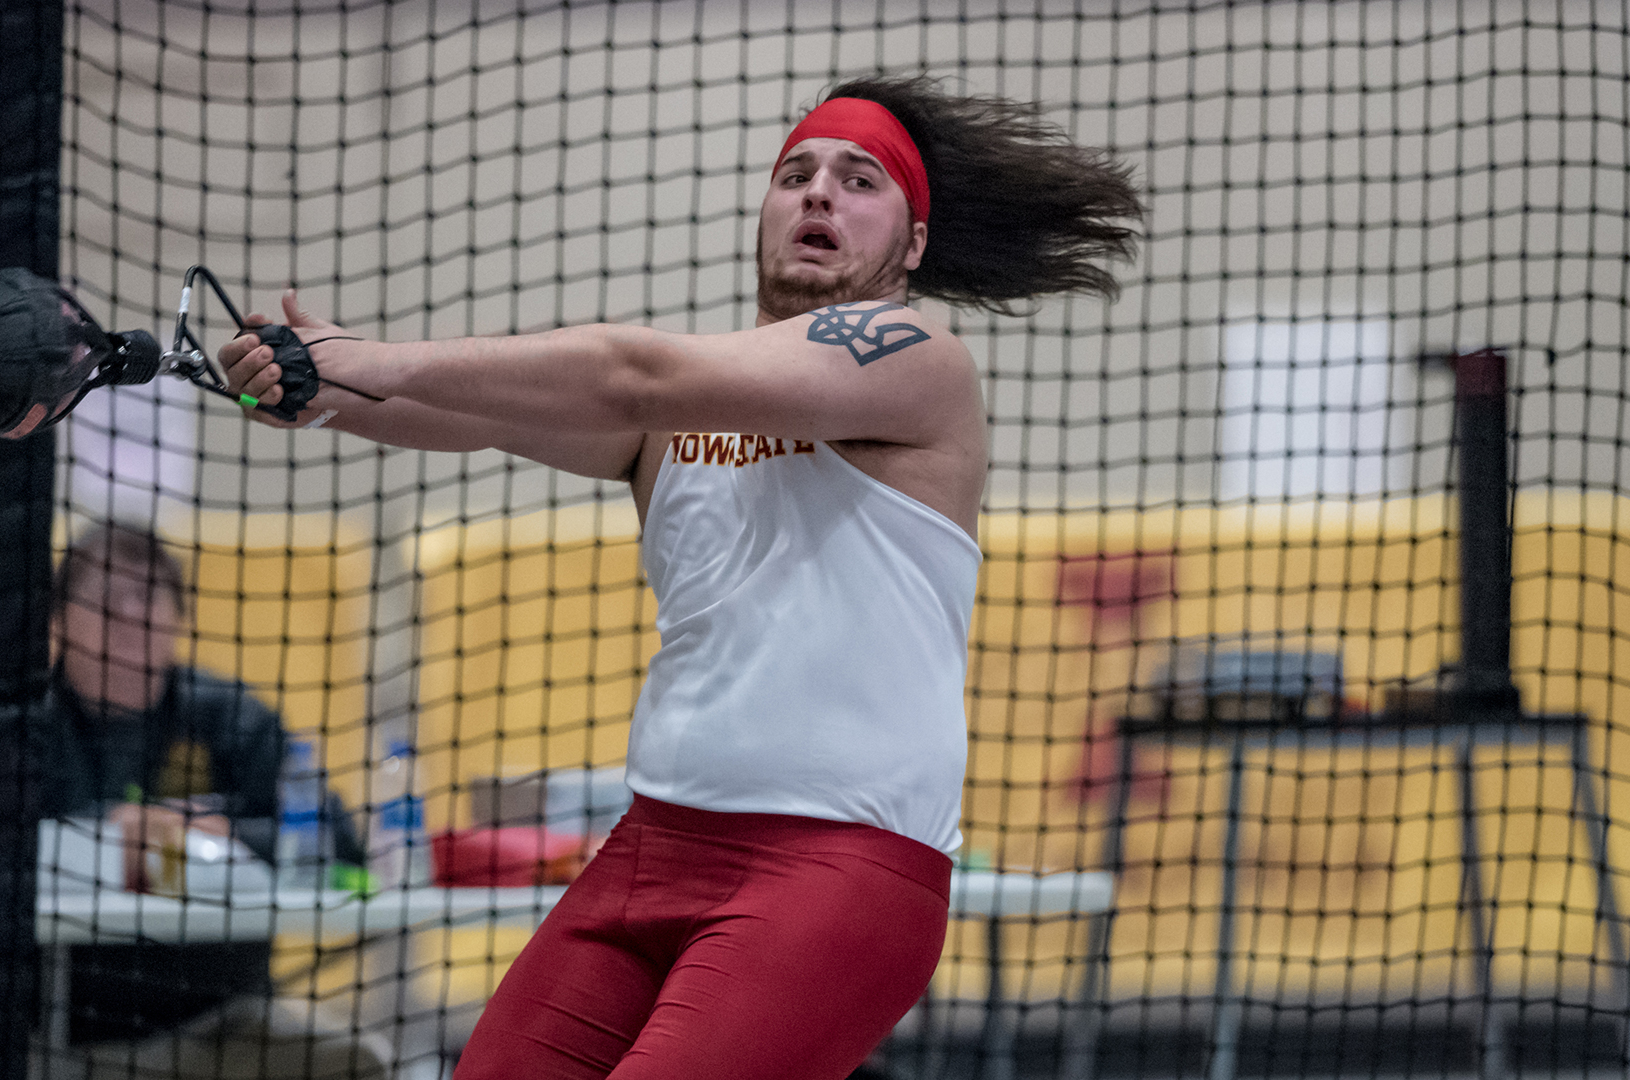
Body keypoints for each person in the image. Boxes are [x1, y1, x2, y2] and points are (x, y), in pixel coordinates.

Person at [218, 75, 1141, 1080]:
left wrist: (371, 358)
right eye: (796, 174)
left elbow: (631, 370)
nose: (818, 193)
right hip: (653, 847)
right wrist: (318, 387)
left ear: (912, 244)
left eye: (857, 178)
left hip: (837, 869)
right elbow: (478, 418)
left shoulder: (918, 357)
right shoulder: (681, 412)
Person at [34, 522, 383, 1079]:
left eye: (147, 596)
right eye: (104, 600)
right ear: (58, 618)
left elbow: (340, 847)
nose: (129, 616)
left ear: (180, 615)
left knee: (356, 1064)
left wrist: (221, 835)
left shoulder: (230, 714)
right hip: (66, 1030)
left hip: (225, 1022)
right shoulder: (22, 726)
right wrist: (109, 839)